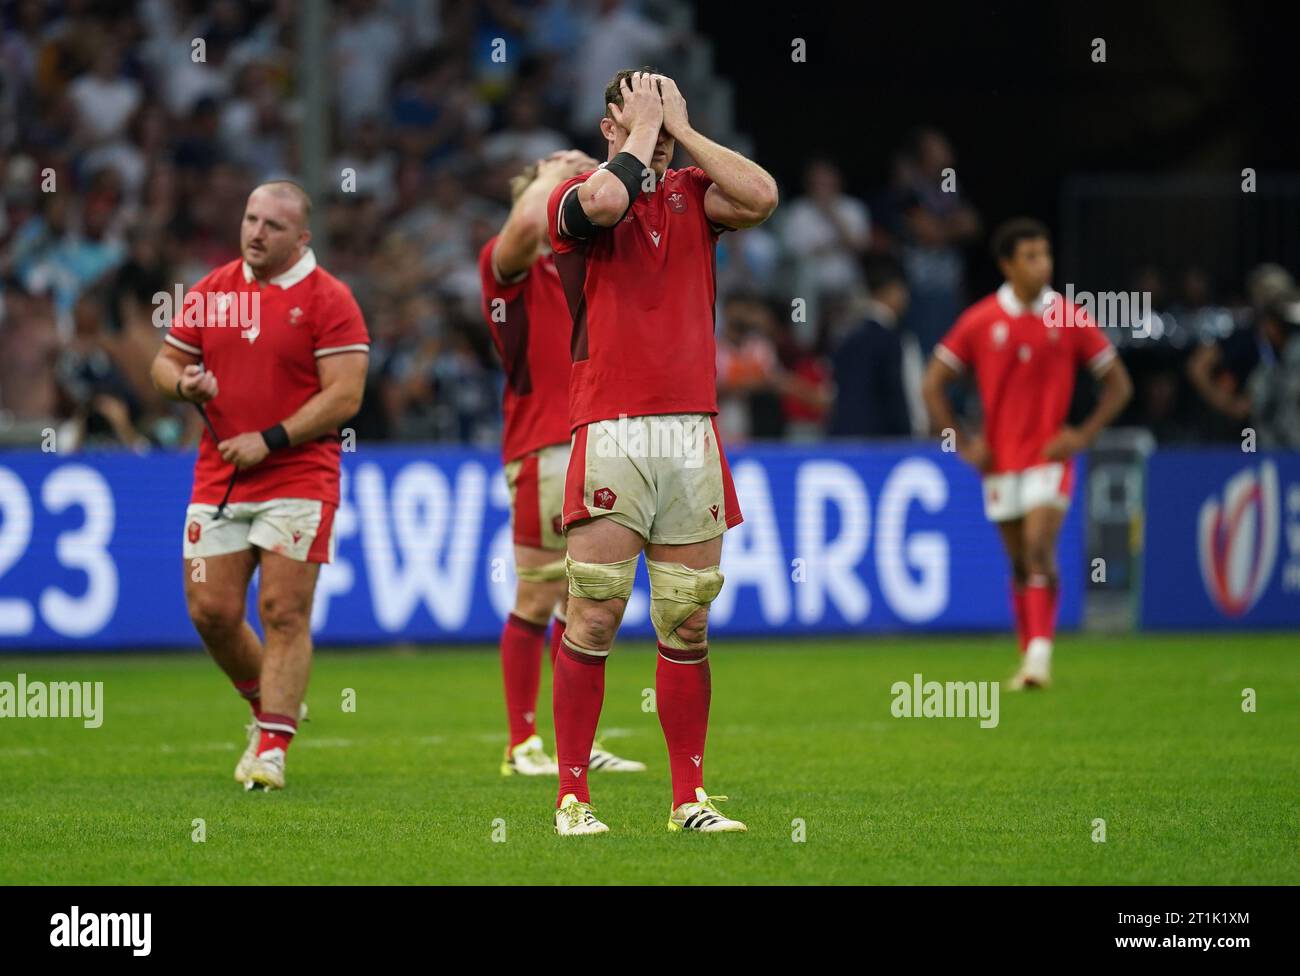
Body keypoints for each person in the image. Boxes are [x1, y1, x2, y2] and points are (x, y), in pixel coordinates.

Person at [546, 68, 777, 835]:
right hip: (612, 425)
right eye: (639, 107)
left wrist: (685, 131)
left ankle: (688, 801)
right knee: (597, 612)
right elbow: (607, 203)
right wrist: (642, 133)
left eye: (664, 105)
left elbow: (762, 195)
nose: (656, 119)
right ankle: (572, 797)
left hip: (691, 430)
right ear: (609, 123)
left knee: (687, 622)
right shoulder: (577, 192)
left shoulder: (691, 193)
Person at [149, 181, 369, 791]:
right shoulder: (214, 289)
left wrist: (269, 439)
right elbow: (162, 364)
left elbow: (346, 396)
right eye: (250, 219)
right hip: (220, 474)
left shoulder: (331, 299)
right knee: (212, 611)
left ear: (302, 237)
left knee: (282, 610)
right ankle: (268, 704)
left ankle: (272, 745)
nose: (255, 232)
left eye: (272, 225)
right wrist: (181, 385)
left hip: (299, 474)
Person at [480, 150, 644, 777]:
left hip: (599, 439)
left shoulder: (589, 266)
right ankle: (522, 744)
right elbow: (523, 231)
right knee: (538, 592)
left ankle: (572, 743)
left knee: (587, 600)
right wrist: (554, 172)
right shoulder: (512, 271)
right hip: (544, 445)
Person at [921, 218, 1131, 689]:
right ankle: (1029, 654)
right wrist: (962, 440)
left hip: (1050, 456)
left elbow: (1118, 384)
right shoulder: (981, 320)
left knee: (1039, 547)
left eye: (1046, 254)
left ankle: (1039, 659)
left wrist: (1081, 436)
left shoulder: (1069, 316)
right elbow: (933, 383)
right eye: (1032, 257)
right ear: (1007, 265)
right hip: (1000, 461)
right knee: (1019, 562)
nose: (1043, 265)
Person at [828, 258, 914, 438]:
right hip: (878, 439)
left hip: (841, 433)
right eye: (902, 291)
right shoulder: (889, 339)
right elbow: (894, 393)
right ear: (891, 291)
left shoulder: (845, 333)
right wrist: (905, 434)